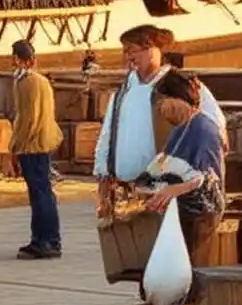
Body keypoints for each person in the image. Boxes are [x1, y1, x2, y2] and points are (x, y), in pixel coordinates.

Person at [94, 25, 227, 205]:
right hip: (126, 193)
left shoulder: (184, 86)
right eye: (125, 51)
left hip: (168, 194)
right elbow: (107, 136)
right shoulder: (122, 93)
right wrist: (103, 174)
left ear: (152, 50)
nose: (128, 57)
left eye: (132, 51)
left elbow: (214, 131)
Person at [141, 70, 226, 266]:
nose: (161, 111)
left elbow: (208, 177)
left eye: (163, 105)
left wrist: (173, 190)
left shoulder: (204, 129)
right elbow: (164, 163)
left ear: (177, 100)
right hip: (181, 211)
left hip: (201, 213)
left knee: (192, 269)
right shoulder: (179, 129)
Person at [8, 41, 65, 260]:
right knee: (40, 192)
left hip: (33, 144)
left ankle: (47, 240)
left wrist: (15, 147)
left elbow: (27, 120)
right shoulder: (34, 81)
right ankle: (42, 238)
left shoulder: (29, 82)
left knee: (41, 193)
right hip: (39, 142)